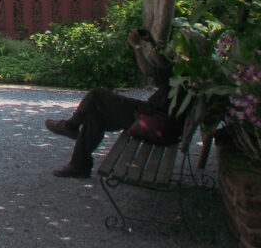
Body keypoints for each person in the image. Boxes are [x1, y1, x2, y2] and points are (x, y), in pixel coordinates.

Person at [44, 26, 174, 179]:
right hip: (156, 115)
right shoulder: (192, 73)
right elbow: (166, 68)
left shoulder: (187, 72)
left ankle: (71, 126)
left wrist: (137, 46)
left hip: (152, 118)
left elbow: (148, 71)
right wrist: (151, 42)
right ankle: (79, 165)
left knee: (97, 94)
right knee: (95, 115)